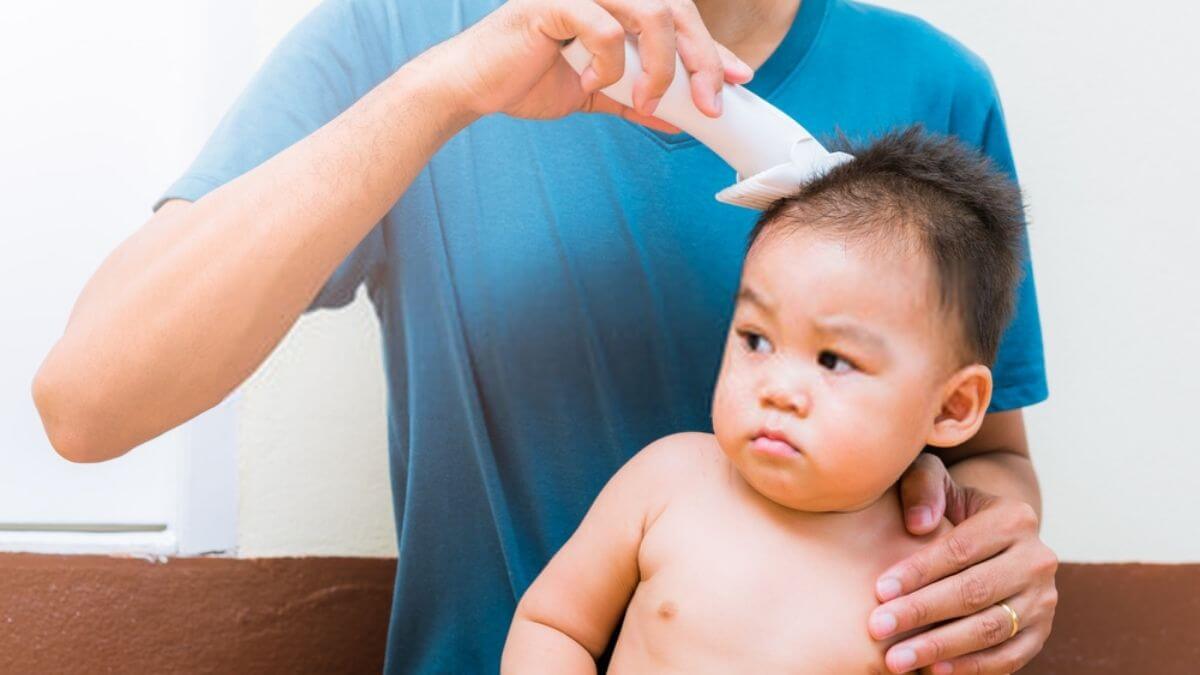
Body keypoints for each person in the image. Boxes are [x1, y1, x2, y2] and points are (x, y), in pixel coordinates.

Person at [31, 1, 1058, 672]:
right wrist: (447, 90)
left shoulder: (935, 88)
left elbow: (990, 460)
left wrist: (994, 567)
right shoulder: (406, 30)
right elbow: (89, 400)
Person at [503, 127, 1027, 673]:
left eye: (833, 360)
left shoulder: (933, 582)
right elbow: (553, 625)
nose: (777, 389)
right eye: (756, 340)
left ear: (952, 407)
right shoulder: (667, 481)